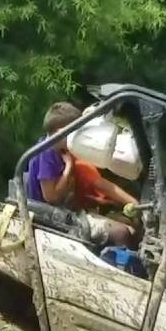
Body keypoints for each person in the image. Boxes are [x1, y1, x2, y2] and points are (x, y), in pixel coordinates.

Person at [26, 101, 136, 247]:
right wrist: (68, 168)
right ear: (60, 132)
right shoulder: (47, 154)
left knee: (130, 228)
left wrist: (134, 203)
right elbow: (50, 196)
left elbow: (100, 184)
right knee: (122, 233)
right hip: (50, 217)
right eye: (76, 131)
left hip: (64, 213)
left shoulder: (64, 152)